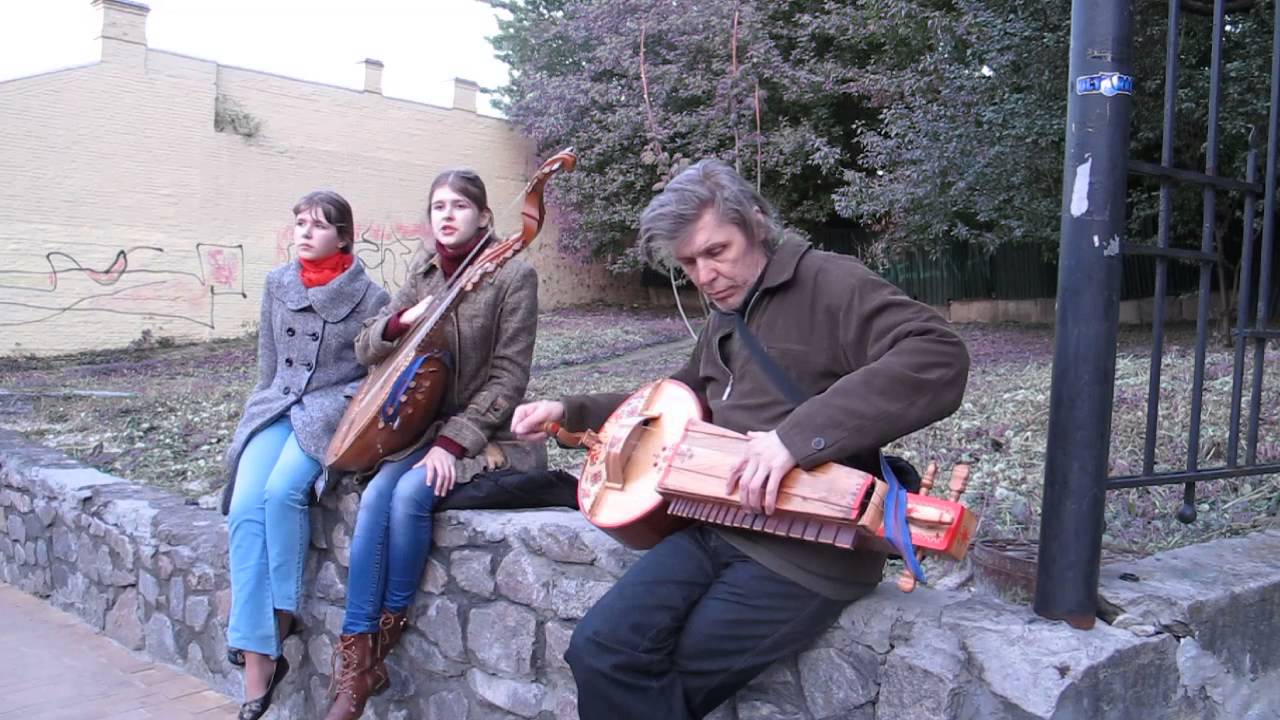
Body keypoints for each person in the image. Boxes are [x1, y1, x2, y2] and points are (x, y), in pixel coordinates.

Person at [511, 159, 970, 720]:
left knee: (661, 682)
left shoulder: (831, 281)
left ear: (755, 223)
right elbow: (678, 398)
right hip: (715, 526)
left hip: (808, 548)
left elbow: (937, 354)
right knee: (600, 650)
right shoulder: (726, 316)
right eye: (688, 264)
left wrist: (793, 439)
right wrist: (571, 410)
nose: (704, 275)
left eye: (715, 251)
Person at [324, 170, 544, 720]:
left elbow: (508, 377)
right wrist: (402, 320)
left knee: (408, 498)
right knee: (376, 499)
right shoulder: (423, 271)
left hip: (477, 431)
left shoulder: (513, 275)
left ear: (484, 216)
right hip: (413, 426)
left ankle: (386, 638)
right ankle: (357, 660)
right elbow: (365, 347)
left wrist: (453, 442)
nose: (447, 216)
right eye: (438, 206)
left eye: (460, 206)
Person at [221, 190, 390, 720]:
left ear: (343, 235)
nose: (304, 232)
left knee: (282, 492)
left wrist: (336, 411)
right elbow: (267, 365)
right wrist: (259, 413)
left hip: (327, 414)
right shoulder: (277, 283)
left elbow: (373, 376)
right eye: (299, 223)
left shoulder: (371, 296)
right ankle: (257, 653)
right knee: (245, 505)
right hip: (277, 406)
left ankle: (279, 619)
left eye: (318, 225)